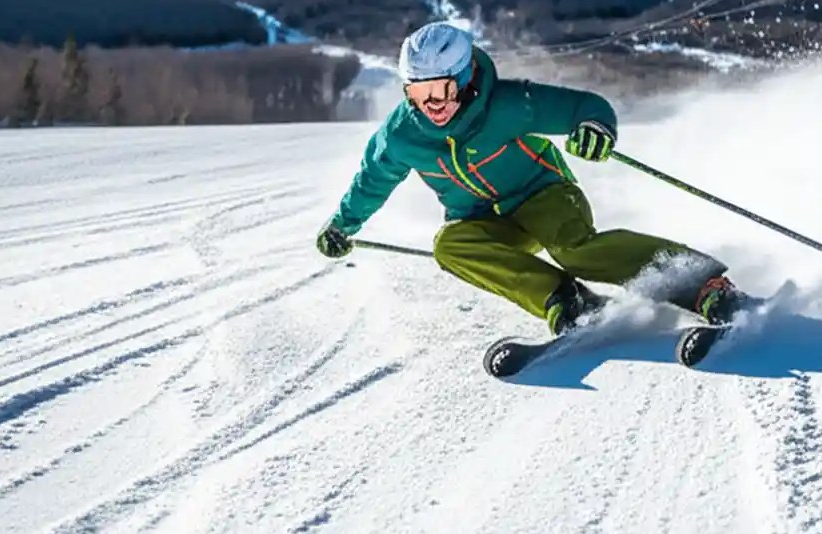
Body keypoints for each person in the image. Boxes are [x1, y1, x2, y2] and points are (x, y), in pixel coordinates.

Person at [316, 21, 753, 337]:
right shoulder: (401, 135)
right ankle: (567, 299)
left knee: (573, 250)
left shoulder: (508, 105)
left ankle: (702, 285)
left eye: (442, 90)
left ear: (466, 78)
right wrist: (342, 226)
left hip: (545, 194)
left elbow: (586, 107)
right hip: (485, 218)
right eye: (418, 92)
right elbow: (372, 178)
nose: (432, 104)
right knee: (449, 246)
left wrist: (594, 130)